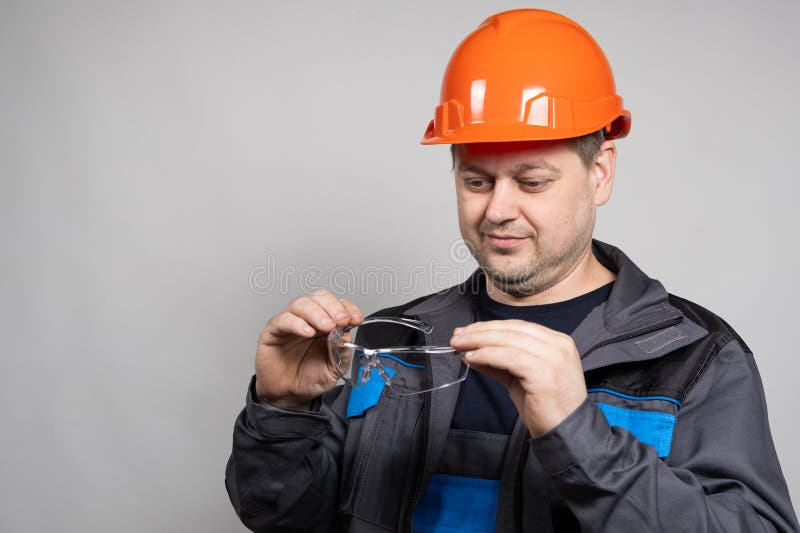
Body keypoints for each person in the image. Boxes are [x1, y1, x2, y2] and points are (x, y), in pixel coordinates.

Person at [225, 9, 798, 532]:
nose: (497, 209)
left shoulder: (694, 362)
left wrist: (581, 435)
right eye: (476, 180)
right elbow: (284, 517)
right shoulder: (389, 347)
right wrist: (282, 411)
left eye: (531, 182)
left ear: (600, 173)